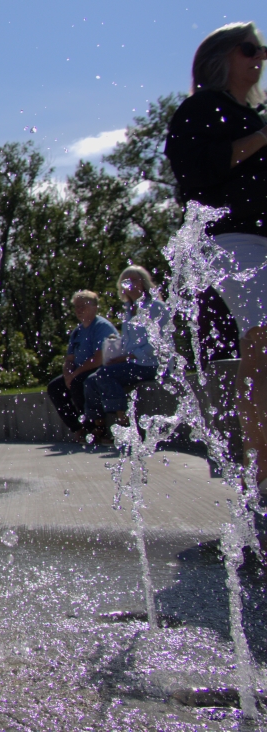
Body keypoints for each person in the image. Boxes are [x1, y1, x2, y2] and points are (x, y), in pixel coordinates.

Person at [165, 21, 267, 491]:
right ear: (220, 57)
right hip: (231, 240)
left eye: (262, 49)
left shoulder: (256, 115)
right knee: (262, 340)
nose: (260, 56)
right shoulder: (202, 107)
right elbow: (194, 171)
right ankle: (260, 482)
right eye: (250, 48)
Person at [83, 267, 169, 444]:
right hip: (136, 362)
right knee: (90, 381)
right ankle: (99, 429)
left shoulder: (156, 307)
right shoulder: (129, 311)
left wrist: (128, 357)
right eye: (126, 281)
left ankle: (123, 422)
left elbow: (158, 344)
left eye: (135, 280)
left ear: (144, 283)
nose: (131, 284)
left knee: (105, 374)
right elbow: (130, 342)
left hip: (152, 364)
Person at [47, 291, 117, 440]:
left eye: (83, 306)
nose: (79, 310)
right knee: (55, 387)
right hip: (79, 371)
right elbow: (70, 358)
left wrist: (75, 374)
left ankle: (96, 428)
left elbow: (99, 358)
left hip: (100, 368)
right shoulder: (77, 332)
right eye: (76, 307)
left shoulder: (101, 327)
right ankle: (77, 428)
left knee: (79, 382)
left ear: (95, 307)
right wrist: (67, 374)